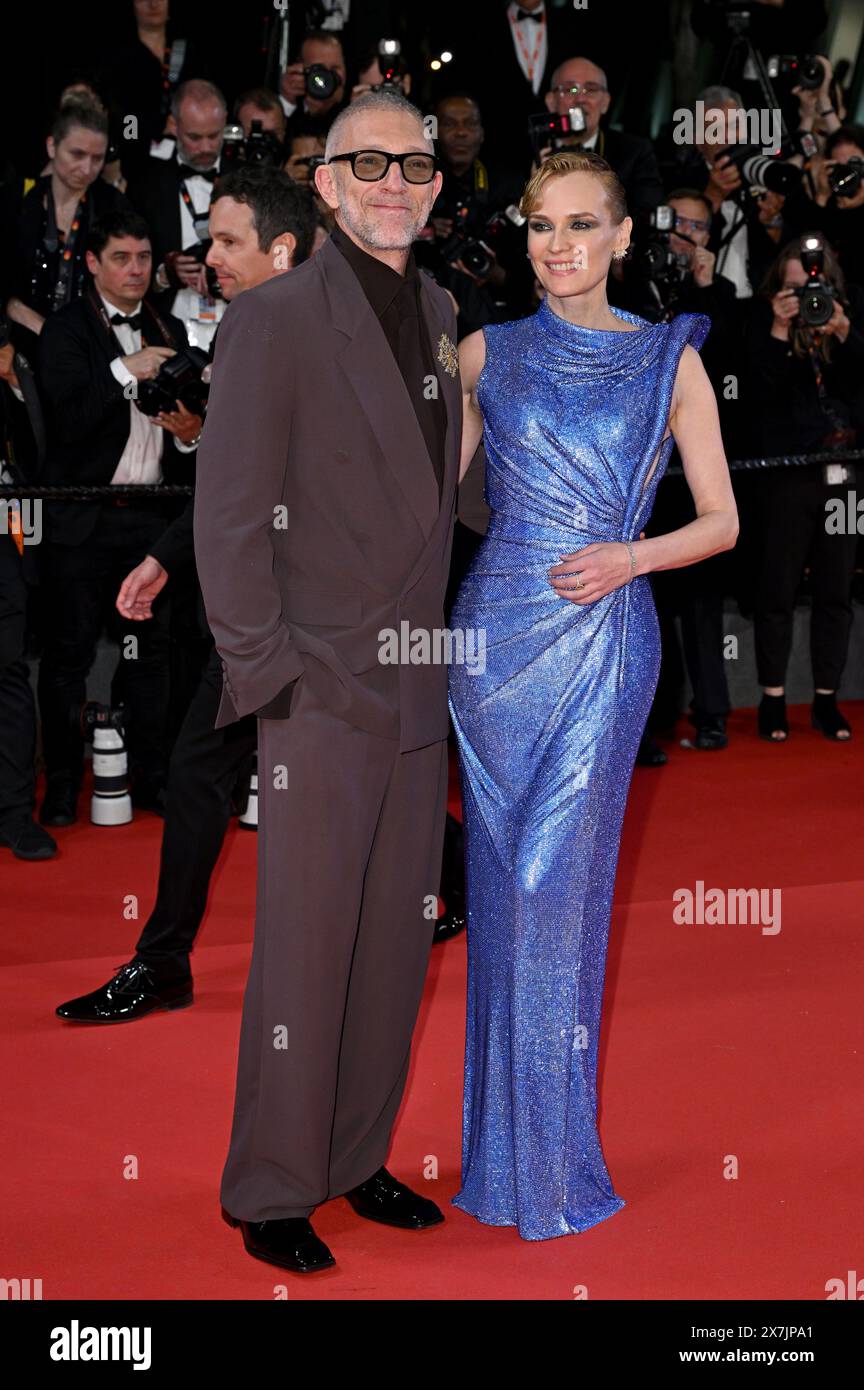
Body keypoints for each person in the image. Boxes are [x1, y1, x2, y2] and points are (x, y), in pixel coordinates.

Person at [193, 89, 461, 1274]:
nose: (393, 180)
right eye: (370, 162)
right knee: (305, 950)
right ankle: (271, 1183)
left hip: (417, 688)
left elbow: (445, 501)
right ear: (333, 181)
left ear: (437, 185)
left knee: (396, 944)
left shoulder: (447, 312)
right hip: (319, 691)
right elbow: (231, 516)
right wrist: (272, 680)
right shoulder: (278, 318)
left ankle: (355, 1158)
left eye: (414, 162)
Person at [449, 150, 738, 1240]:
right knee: (502, 890)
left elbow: (723, 521)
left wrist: (631, 557)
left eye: (580, 224)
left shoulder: (671, 358)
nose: (556, 244)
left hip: (607, 641)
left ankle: (552, 1166)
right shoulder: (486, 352)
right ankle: (497, 1163)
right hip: (493, 648)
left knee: (553, 892)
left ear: (625, 238)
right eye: (538, 225)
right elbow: (432, 495)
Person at [54, 168, 317, 1020]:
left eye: (229, 241)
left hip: (322, 610)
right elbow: (237, 475)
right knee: (208, 771)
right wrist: (171, 557)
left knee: (345, 771)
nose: (207, 257)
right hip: (262, 616)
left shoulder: (313, 332)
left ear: (282, 247)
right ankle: (163, 960)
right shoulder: (247, 330)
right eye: (209, 239)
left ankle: (444, 882)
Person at [36, 209, 202, 826]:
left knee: (151, 657)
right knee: (68, 655)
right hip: (82, 518)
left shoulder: (171, 326)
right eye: (121, 259)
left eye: (143, 258)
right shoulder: (64, 331)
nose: (135, 270)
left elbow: (195, 432)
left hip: (152, 518)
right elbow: (67, 420)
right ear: (92, 263)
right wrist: (122, 370)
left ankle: (153, 779)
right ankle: (60, 786)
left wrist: (190, 434)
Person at [747, 235, 863, 742]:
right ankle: (772, 700)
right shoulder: (761, 323)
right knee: (779, 589)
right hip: (786, 476)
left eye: (811, 288)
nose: (804, 299)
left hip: (846, 478)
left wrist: (844, 330)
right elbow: (751, 395)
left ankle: (826, 700)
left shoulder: (846, 317)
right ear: (778, 288)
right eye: (793, 289)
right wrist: (777, 327)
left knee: (836, 590)